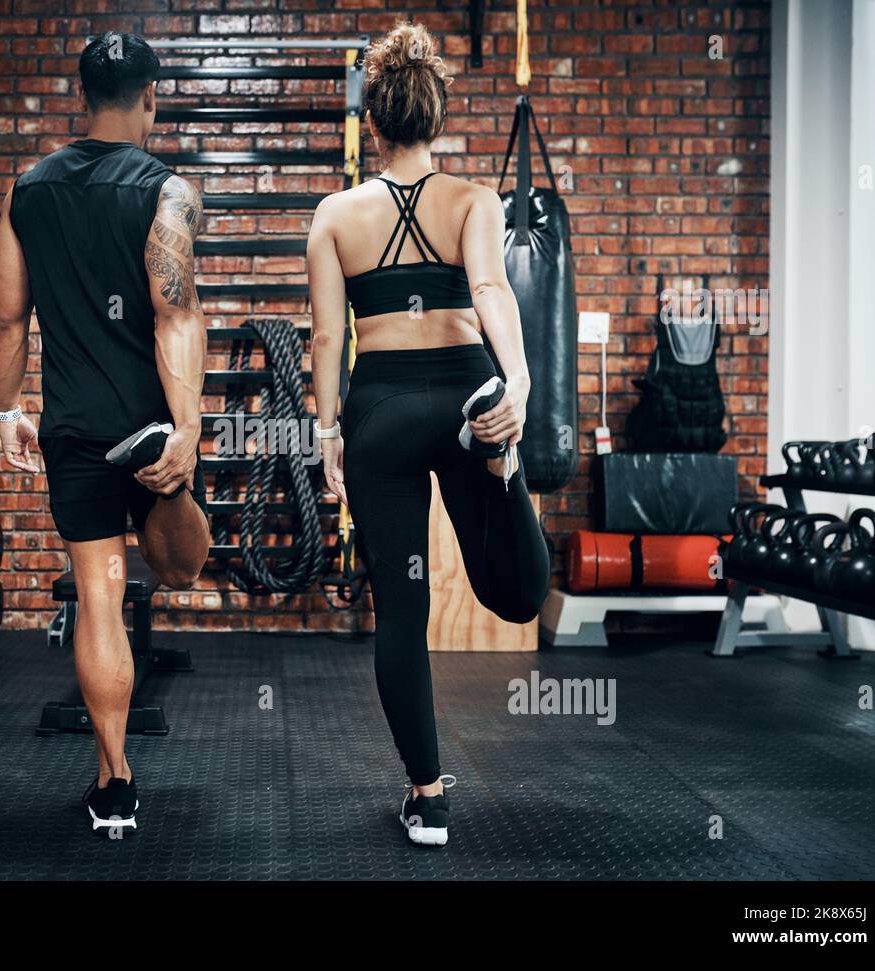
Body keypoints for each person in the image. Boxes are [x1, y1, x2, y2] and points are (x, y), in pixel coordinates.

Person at [307, 22, 551, 847]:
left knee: (401, 613)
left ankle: (427, 795)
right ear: (438, 118)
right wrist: (516, 386)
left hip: (379, 414)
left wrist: (325, 433)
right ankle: (499, 456)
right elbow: (490, 287)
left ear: (372, 123)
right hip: (462, 395)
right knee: (515, 593)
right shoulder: (472, 201)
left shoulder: (335, 215)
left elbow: (329, 341)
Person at [0, 32, 211, 836]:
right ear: (152, 95)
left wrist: (7, 412)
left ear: (83, 94)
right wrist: (186, 430)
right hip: (147, 422)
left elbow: (9, 317)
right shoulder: (168, 191)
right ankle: (170, 484)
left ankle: (114, 780)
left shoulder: (28, 190)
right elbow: (174, 311)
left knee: (100, 598)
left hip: (74, 428)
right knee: (182, 568)